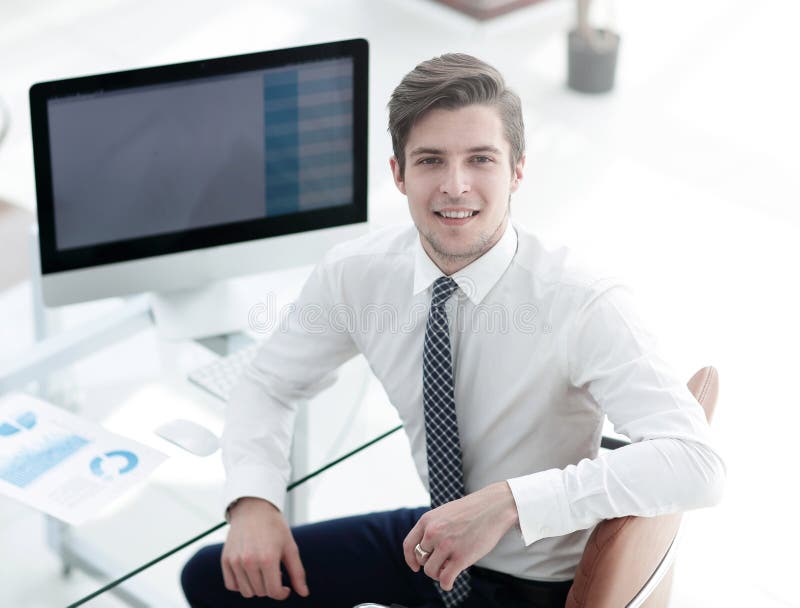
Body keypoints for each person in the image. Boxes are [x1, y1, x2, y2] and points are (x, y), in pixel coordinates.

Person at [181, 53, 725, 608]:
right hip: (435, 544)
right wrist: (254, 500)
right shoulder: (357, 275)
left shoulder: (582, 302)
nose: (455, 185)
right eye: (431, 161)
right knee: (213, 579)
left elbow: (698, 463)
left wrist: (509, 502)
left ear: (516, 170)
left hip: (532, 581)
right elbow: (267, 382)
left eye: (480, 159)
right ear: (399, 174)